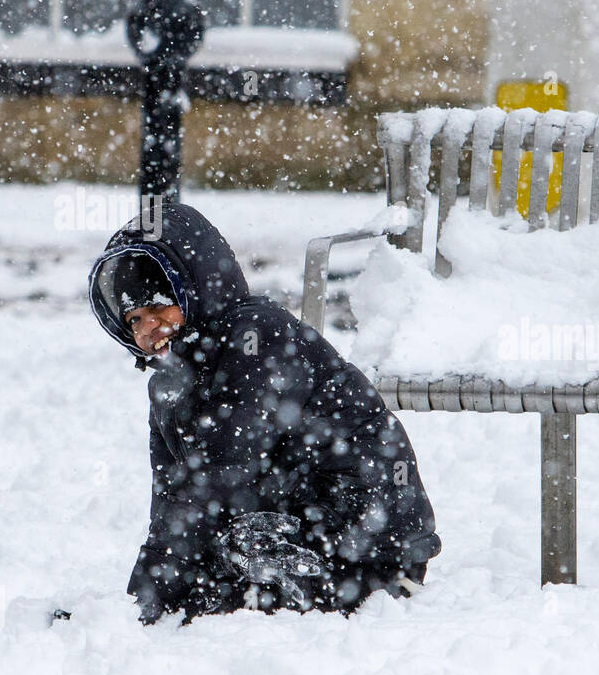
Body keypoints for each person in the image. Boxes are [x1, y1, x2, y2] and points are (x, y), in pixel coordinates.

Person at [88, 202, 441, 625]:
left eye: (160, 306)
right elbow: (171, 502)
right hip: (297, 526)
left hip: (371, 546)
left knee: (225, 554)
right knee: (209, 565)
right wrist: (140, 604)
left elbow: (225, 475)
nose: (149, 328)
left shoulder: (256, 338)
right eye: (134, 320)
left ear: (194, 289)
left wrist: (151, 607)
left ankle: (295, 603)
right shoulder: (169, 384)